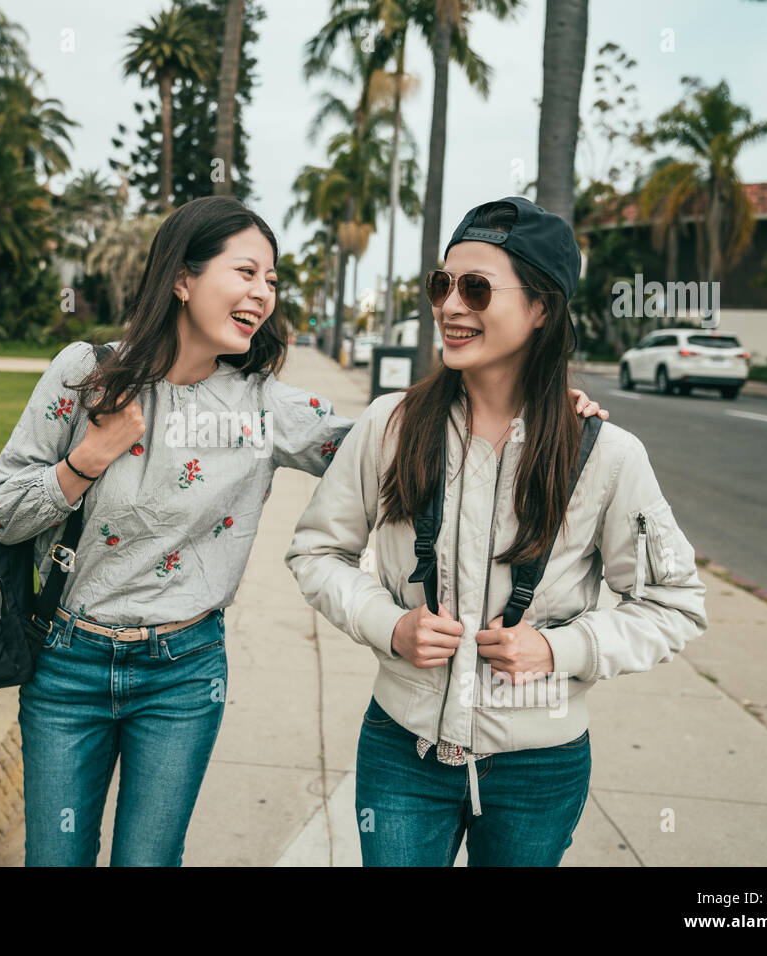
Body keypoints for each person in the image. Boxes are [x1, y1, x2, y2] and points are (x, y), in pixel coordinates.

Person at [0, 195, 607, 867]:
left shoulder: (266, 407)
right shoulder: (85, 373)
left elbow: (391, 445)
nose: (262, 293)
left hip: (182, 675)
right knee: (53, 857)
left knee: (149, 860)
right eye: (245, 272)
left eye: (271, 280)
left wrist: (533, 406)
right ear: (182, 279)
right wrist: (85, 462)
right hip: (68, 662)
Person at [285, 196, 707, 867]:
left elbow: (675, 604)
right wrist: (385, 622)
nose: (452, 306)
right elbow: (316, 551)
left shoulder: (606, 453)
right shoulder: (389, 427)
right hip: (402, 751)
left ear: (542, 308)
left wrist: (559, 650)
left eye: (476, 288)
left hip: (539, 770)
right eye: (442, 285)